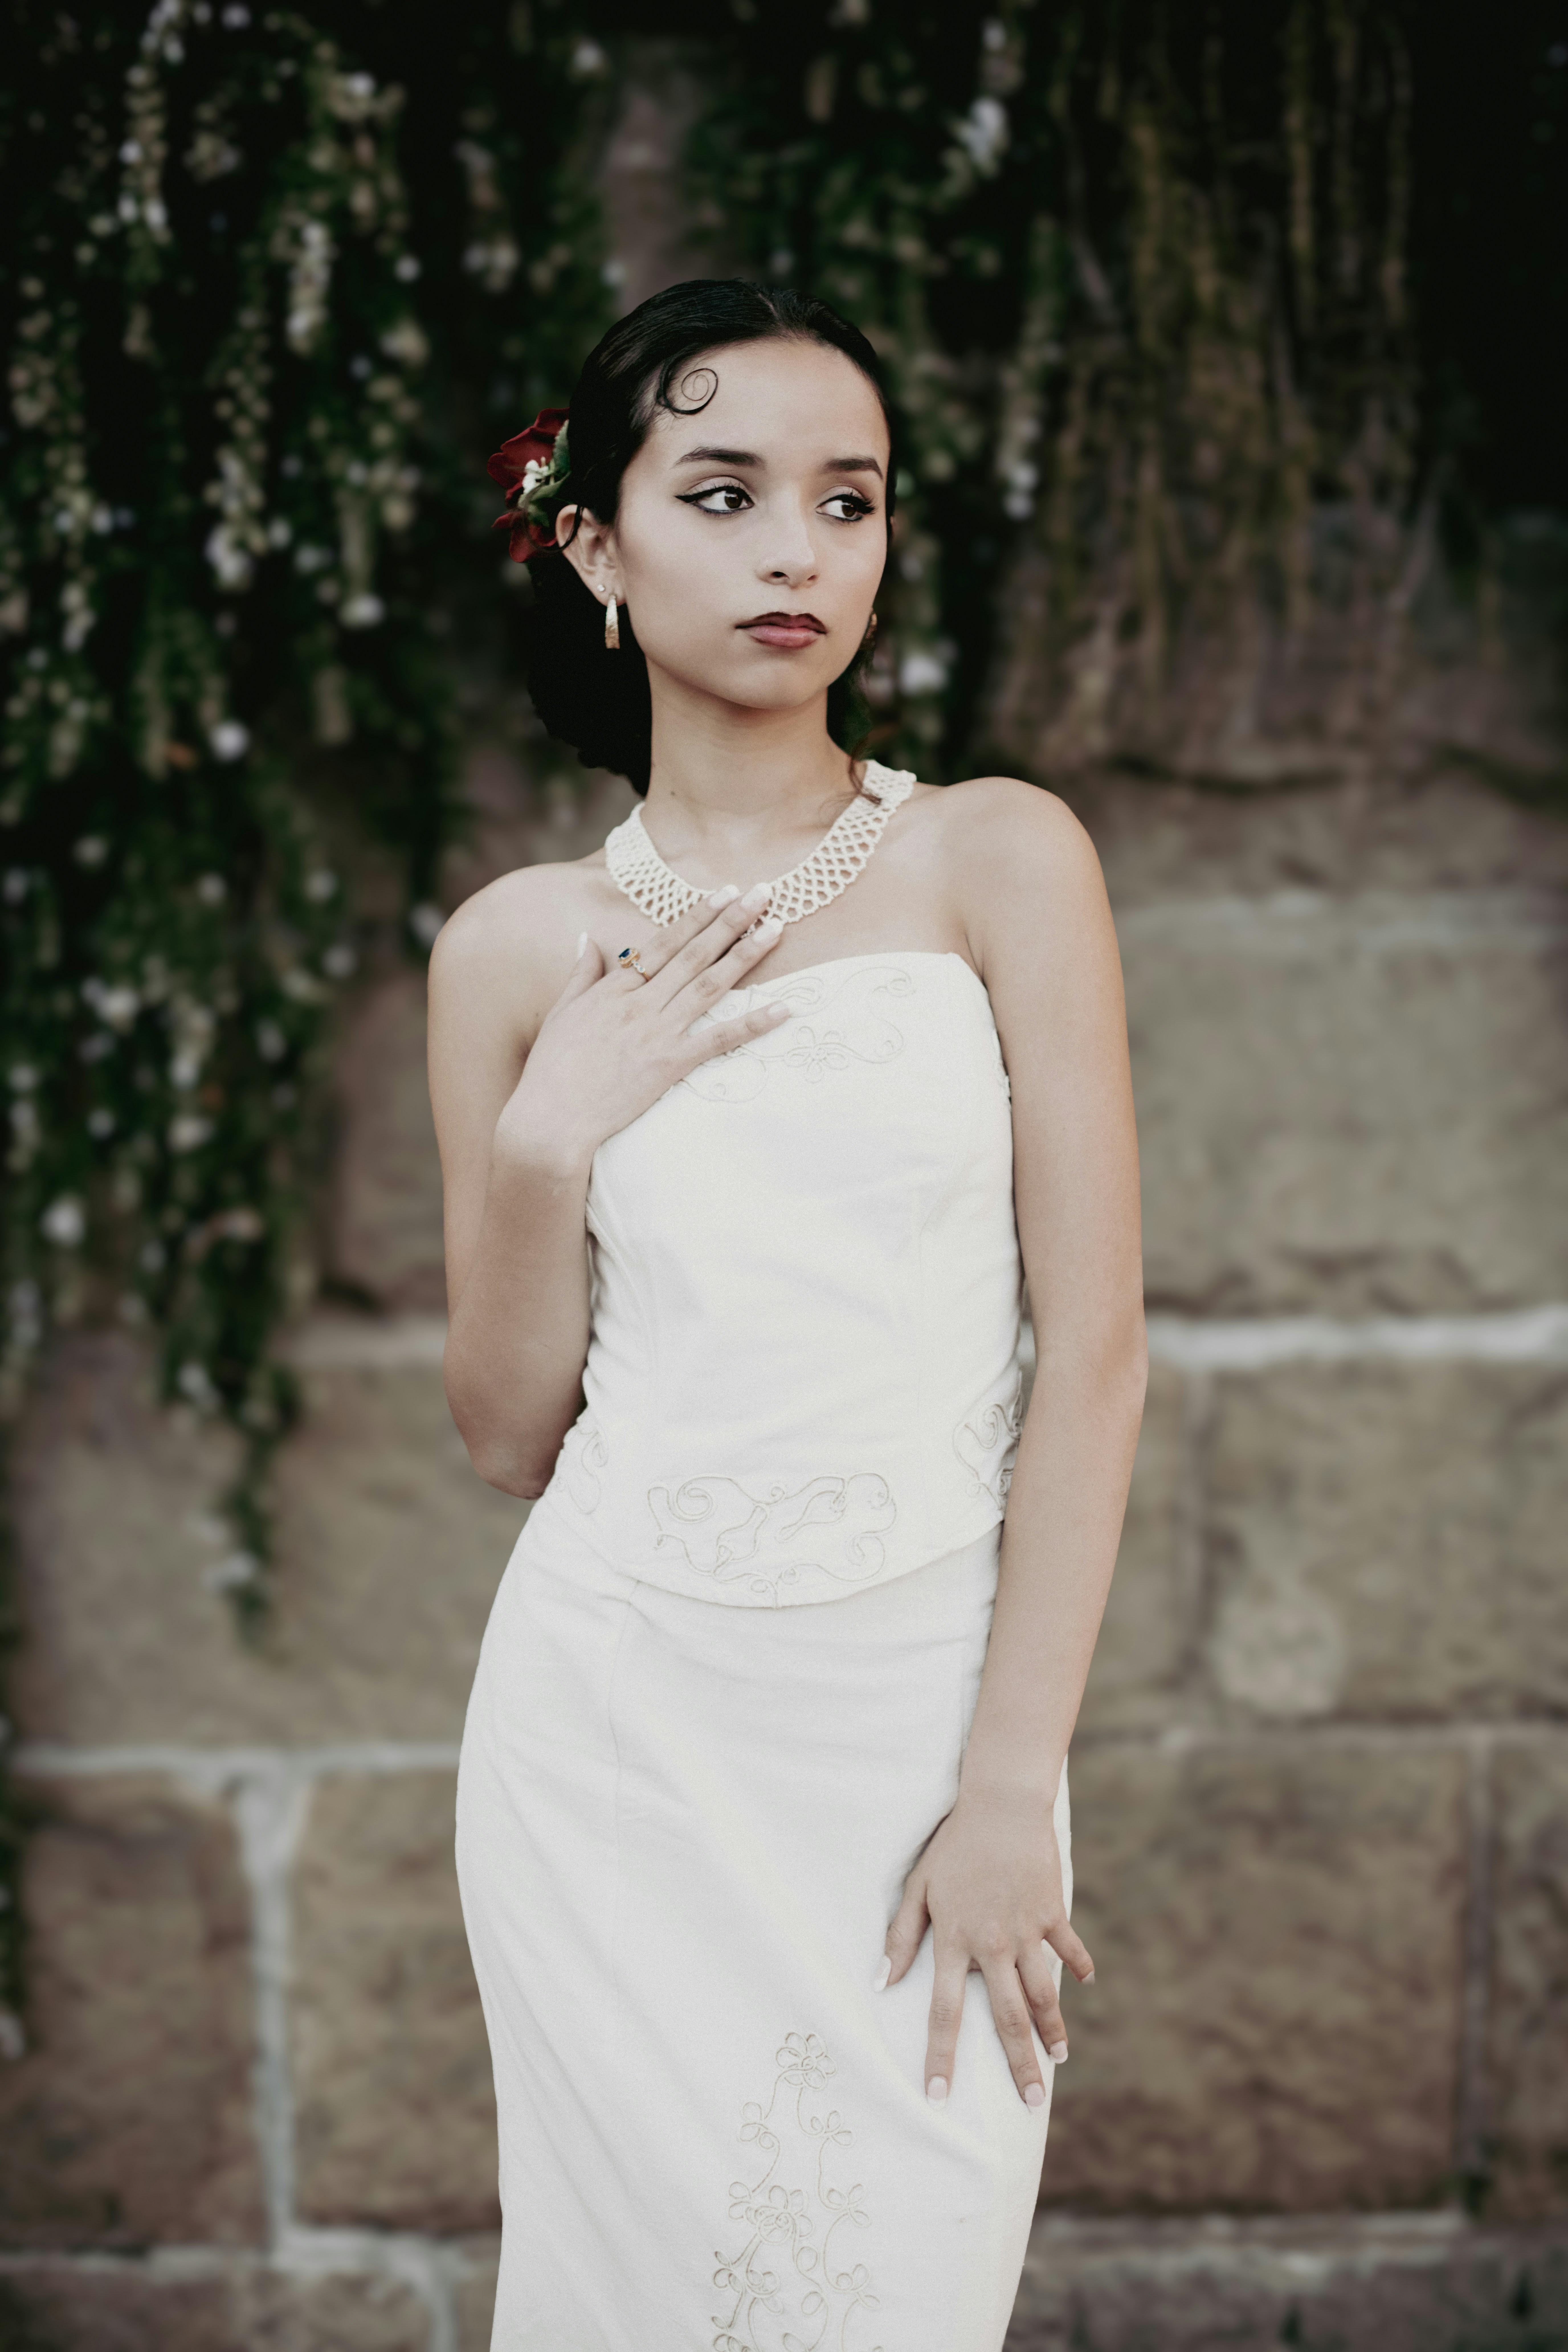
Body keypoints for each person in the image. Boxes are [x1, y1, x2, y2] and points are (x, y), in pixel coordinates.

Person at [429, 280, 1146, 2352]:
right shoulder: (516, 949)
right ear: (595, 544)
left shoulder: (1000, 859)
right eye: (725, 494)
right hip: (616, 1735)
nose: (796, 553)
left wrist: (1011, 1784)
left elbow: (1096, 1357)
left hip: (922, 1726)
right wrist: (549, 1145)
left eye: (848, 501)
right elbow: (507, 1434)